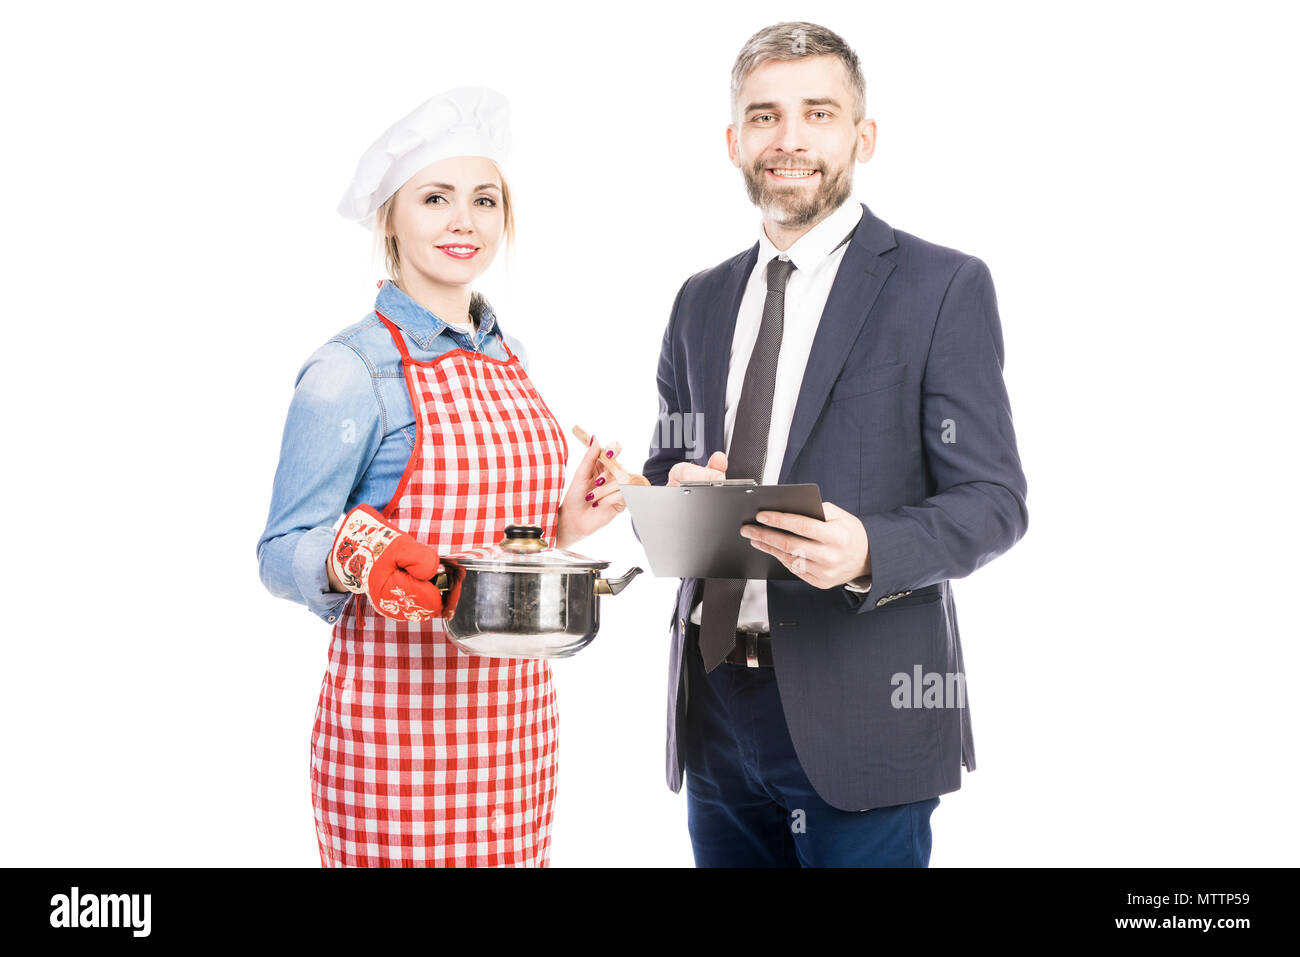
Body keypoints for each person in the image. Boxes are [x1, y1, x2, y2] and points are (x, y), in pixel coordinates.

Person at [641, 22, 1029, 867]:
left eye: (818, 113)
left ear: (864, 135)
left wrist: (868, 550)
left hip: (865, 713)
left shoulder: (942, 286)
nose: (789, 140)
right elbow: (661, 466)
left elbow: (995, 501)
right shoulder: (698, 301)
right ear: (734, 140)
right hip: (713, 711)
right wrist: (671, 488)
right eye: (765, 115)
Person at [257, 86, 626, 867]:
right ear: (391, 217)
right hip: (395, 745)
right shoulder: (350, 369)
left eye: (484, 200)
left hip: (515, 734)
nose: (465, 220)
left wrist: (566, 522)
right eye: (436, 197)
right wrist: (358, 556)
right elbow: (280, 547)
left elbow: (499, 541)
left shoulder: (510, 358)